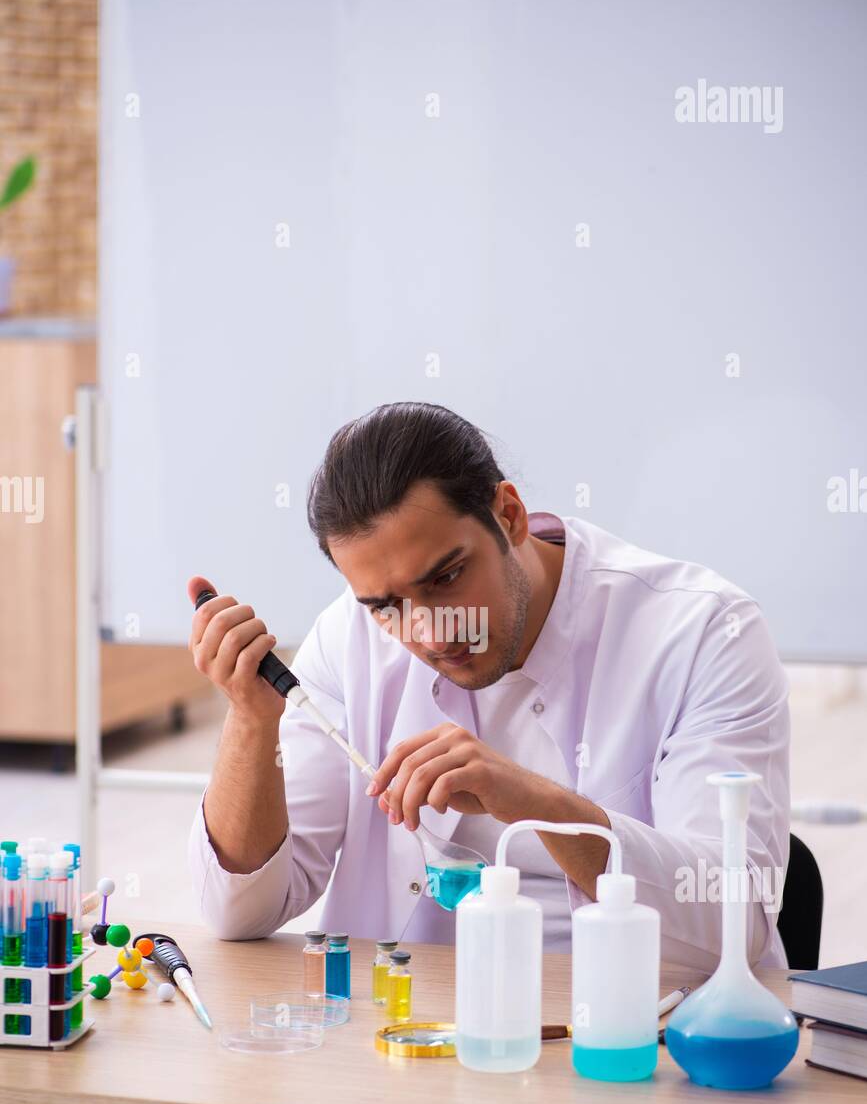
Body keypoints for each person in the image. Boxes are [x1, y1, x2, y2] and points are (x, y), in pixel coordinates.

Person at [187, 401, 790, 969]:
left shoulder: (704, 632)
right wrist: (251, 720)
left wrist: (536, 804)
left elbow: (734, 922)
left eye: (446, 577)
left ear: (509, 515)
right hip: (401, 1042)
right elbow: (240, 911)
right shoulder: (348, 635)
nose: (427, 631)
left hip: (625, 1036)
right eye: (384, 605)